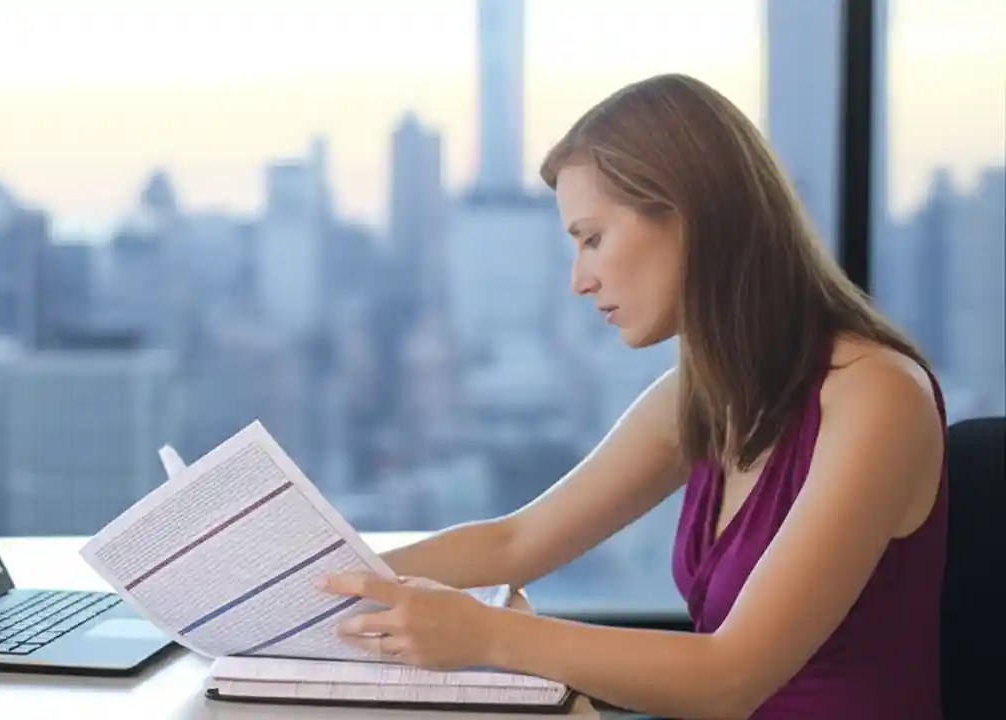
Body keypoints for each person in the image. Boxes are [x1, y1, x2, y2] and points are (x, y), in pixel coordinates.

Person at [322, 74, 947, 719]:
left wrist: (486, 634)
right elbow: (515, 543)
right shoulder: (702, 397)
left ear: (688, 216)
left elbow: (729, 679)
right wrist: (312, 594)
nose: (579, 280)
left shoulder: (878, 397)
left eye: (592, 238)